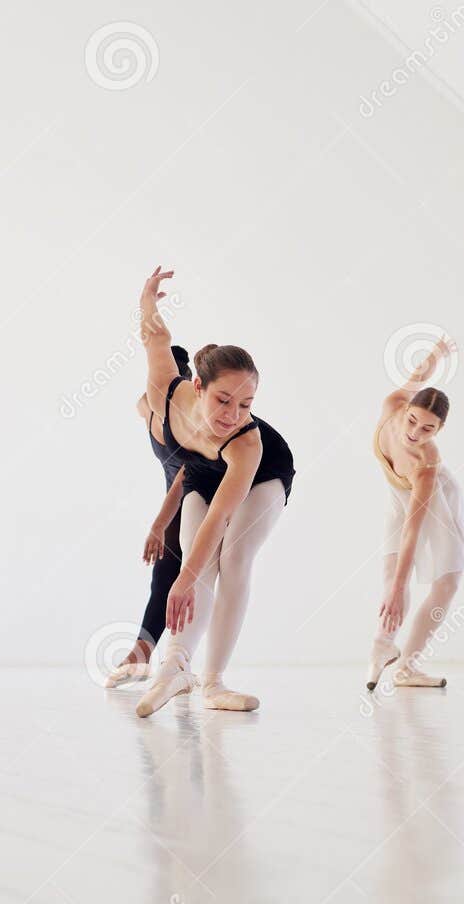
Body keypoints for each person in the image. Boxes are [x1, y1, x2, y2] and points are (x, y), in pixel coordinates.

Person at [132, 268, 296, 718]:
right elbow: (155, 336)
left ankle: (215, 682)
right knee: (193, 558)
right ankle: (175, 668)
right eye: (224, 400)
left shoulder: (247, 441)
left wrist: (184, 581)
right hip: (203, 471)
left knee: (234, 557)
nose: (233, 413)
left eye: (246, 405)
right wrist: (147, 299)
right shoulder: (166, 390)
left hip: (264, 473)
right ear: (198, 386)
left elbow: (223, 516)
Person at [368, 337, 464, 691]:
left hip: (434, 499)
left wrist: (401, 584)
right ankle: (382, 647)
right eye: (412, 421)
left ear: (439, 431)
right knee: (390, 572)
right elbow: (417, 374)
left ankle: (407, 664)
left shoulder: (427, 463)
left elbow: (414, 528)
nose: (415, 433)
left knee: (448, 580)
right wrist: (437, 353)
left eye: (428, 429)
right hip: (398, 493)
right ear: (405, 409)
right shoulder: (392, 404)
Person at [105, 345, 192, 689]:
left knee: (189, 578)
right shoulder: (151, 407)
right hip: (179, 498)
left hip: (203, 495)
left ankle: (166, 658)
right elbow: (141, 404)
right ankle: (148, 654)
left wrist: (157, 524)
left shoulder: (184, 413)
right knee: (166, 576)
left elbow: (189, 471)